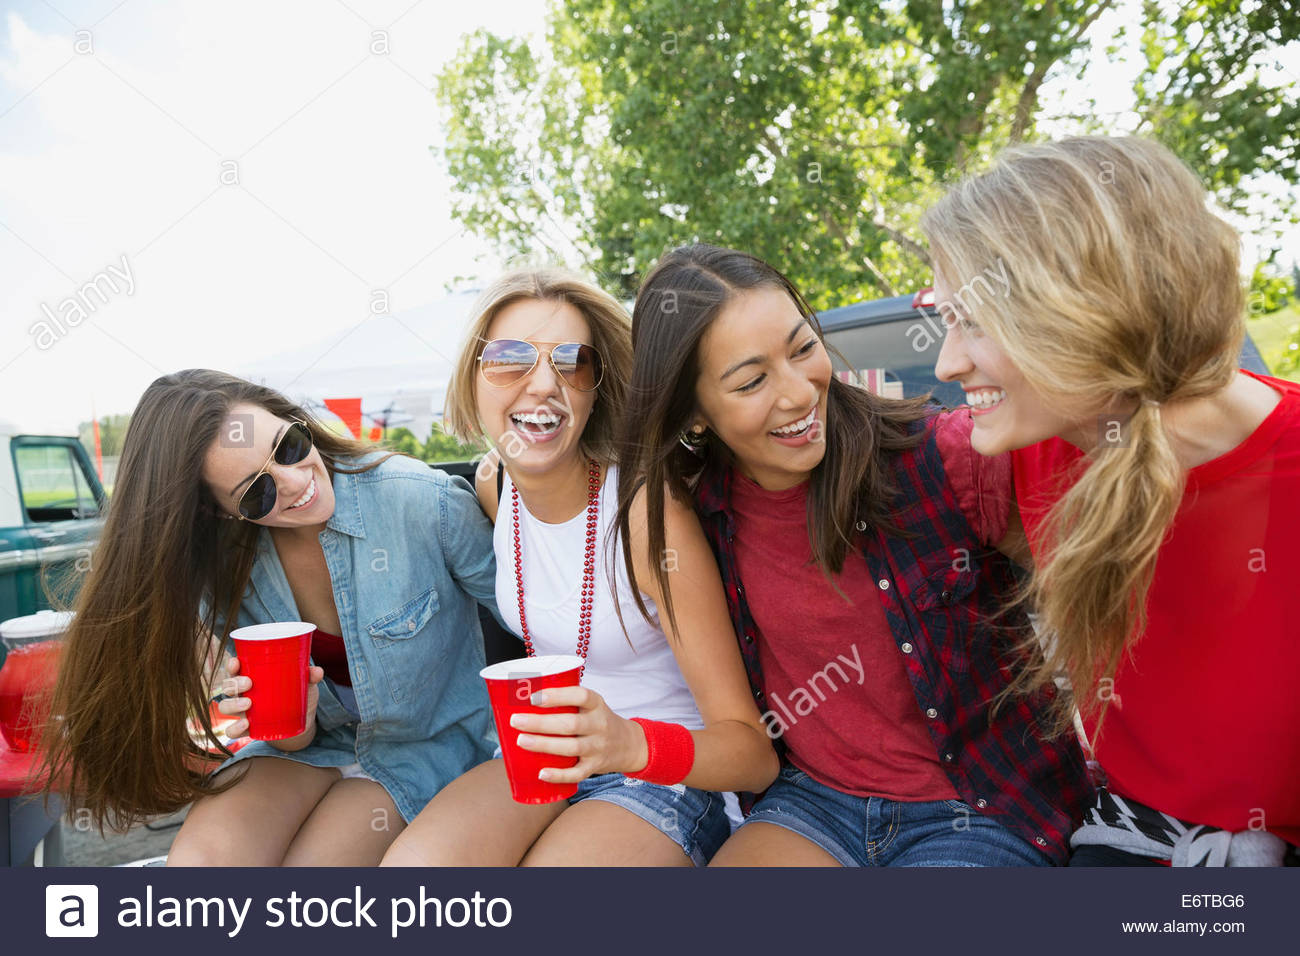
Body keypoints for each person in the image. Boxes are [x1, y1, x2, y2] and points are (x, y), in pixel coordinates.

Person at [616, 244, 1093, 867]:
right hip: (814, 803)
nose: (798, 393)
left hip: (976, 810)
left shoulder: (943, 459)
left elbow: (1119, 580)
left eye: (803, 347)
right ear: (695, 415)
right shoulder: (699, 513)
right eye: (752, 380)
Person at [924, 135, 1300, 866]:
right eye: (944, 320)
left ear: (1086, 311)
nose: (946, 364)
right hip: (1128, 843)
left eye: (973, 322)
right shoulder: (1033, 442)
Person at [379, 269, 777, 867]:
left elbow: (752, 752)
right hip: (544, 752)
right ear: (472, 375)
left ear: (596, 389)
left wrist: (627, 743)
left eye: (572, 362)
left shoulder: (645, 513)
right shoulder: (494, 484)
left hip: (662, 773)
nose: (544, 384)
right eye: (511, 359)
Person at [38, 369, 500, 865]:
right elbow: (295, 737)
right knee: (200, 868)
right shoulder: (222, 562)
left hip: (427, 748)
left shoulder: (420, 501)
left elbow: (535, 629)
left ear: (297, 423)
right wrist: (287, 714)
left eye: (290, 446)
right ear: (218, 512)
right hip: (308, 751)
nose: (297, 481)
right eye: (256, 492)